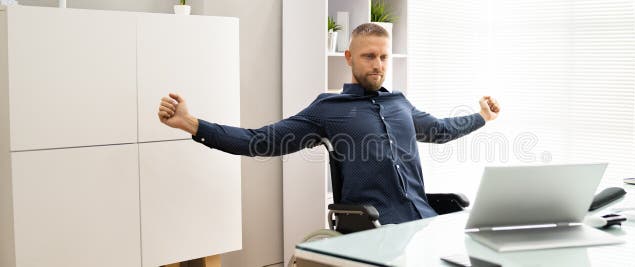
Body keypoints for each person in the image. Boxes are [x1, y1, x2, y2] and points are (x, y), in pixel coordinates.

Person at [157, 23, 500, 224]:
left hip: (424, 222)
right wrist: (191, 123)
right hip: (374, 229)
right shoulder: (327, 109)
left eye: (383, 56)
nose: (377, 64)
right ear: (349, 58)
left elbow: (440, 130)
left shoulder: (400, 104)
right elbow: (258, 140)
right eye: (368, 56)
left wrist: (482, 117)